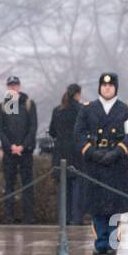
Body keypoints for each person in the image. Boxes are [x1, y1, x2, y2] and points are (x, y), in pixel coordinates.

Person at [75, 72, 128, 254]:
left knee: (114, 206)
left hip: (116, 163)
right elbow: (78, 133)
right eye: (103, 85)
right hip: (93, 163)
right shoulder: (87, 109)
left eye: (110, 85)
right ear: (99, 87)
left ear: (115, 87)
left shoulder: (126, 110)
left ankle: (112, 243)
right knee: (97, 207)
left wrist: (117, 152)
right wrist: (91, 152)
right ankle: (100, 243)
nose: (107, 88)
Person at [0, 75, 37, 223]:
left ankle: (29, 216)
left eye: (15, 85)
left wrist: (23, 146)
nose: (13, 88)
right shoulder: (2, 106)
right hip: (9, 152)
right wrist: (10, 146)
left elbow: (33, 127)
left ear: (19, 86)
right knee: (9, 186)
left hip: (25, 152)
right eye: (10, 85)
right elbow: (0, 129)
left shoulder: (29, 103)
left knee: (28, 185)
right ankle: (8, 216)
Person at [47, 83, 83, 222]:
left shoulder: (57, 110)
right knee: (77, 187)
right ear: (78, 94)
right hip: (76, 152)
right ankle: (76, 217)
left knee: (63, 187)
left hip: (60, 152)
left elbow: (52, 131)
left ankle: (64, 218)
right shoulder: (81, 110)